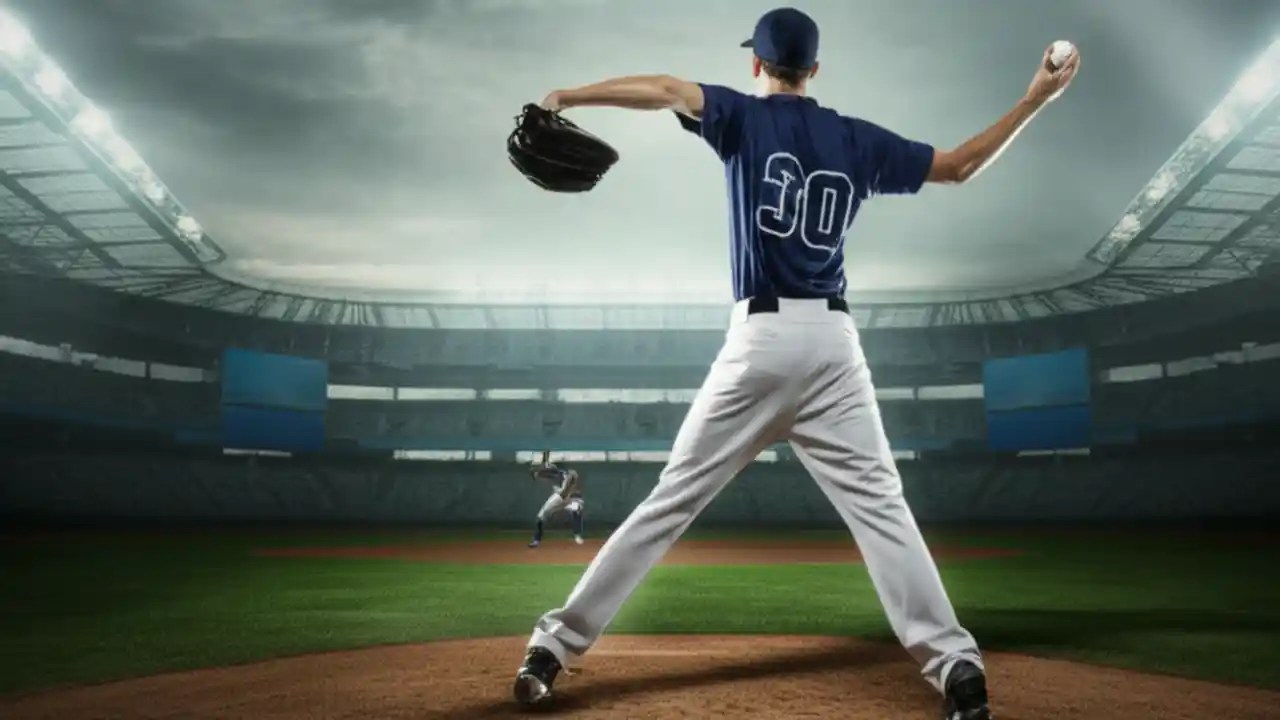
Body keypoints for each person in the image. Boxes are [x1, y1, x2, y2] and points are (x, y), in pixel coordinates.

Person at [513, 8, 1080, 719]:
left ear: (758, 64)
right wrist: (1035, 100)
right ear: (815, 70)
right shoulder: (855, 138)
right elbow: (961, 167)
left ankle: (552, 650)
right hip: (834, 351)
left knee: (668, 504)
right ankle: (958, 669)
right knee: (883, 511)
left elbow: (662, 88)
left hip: (759, 343)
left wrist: (567, 95)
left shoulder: (741, 118)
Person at [527, 450, 585, 547]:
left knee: (577, 509)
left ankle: (577, 535)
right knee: (540, 517)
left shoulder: (568, 473)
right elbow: (540, 471)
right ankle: (536, 540)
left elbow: (569, 480)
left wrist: (542, 464)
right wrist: (535, 470)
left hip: (569, 497)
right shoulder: (552, 474)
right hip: (558, 498)